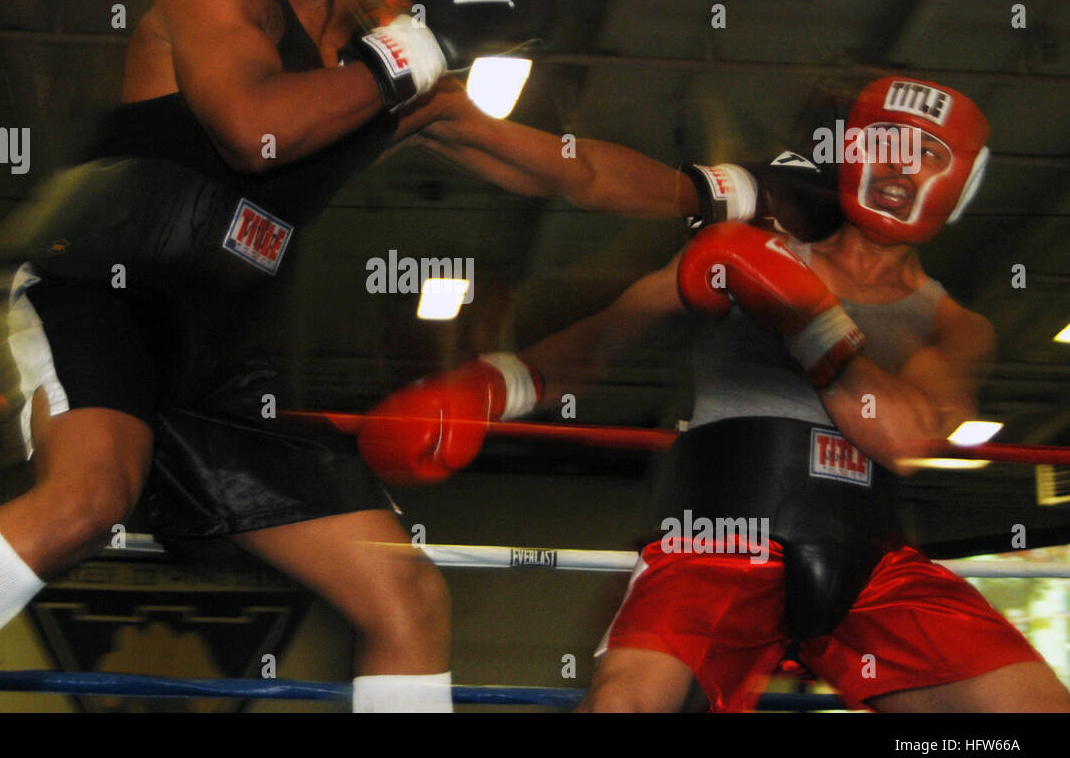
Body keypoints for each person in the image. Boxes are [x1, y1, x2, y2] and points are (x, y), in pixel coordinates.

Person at [0, 0, 726, 714]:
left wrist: (717, 194)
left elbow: (570, 170)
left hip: (221, 361)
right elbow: (252, 128)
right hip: (96, 291)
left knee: (404, 591)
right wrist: (421, 44)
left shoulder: (398, 88)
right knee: (86, 499)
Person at [358, 76, 1070, 712]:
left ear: (964, 183)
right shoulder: (751, 242)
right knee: (626, 704)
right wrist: (493, 388)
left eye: (929, 154)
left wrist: (806, 315)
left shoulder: (955, 324)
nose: (897, 164)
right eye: (884, 140)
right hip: (713, 542)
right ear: (851, 149)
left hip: (870, 559)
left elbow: (907, 439)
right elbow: (602, 339)